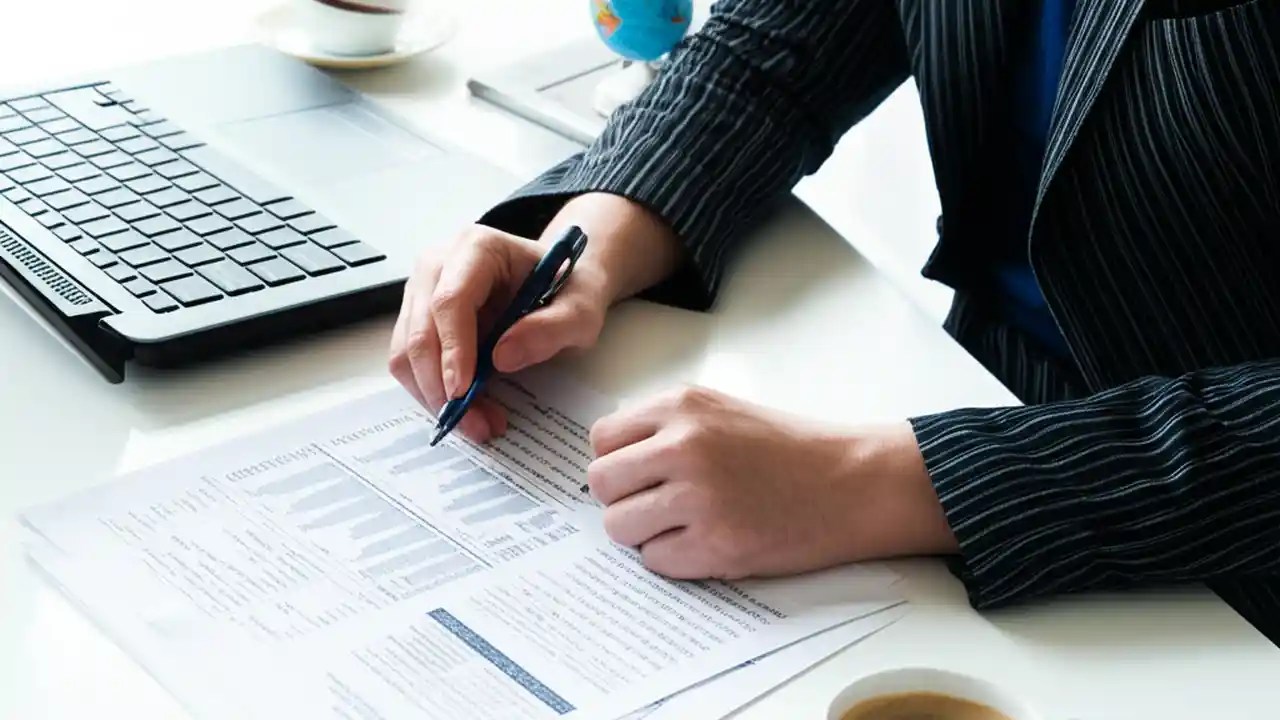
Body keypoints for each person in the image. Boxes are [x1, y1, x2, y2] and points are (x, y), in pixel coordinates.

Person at [389, 0, 1280, 644]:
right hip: (972, 394)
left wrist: (881, 482)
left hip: (1225, 565)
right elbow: (773, 53)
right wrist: (587, 242)